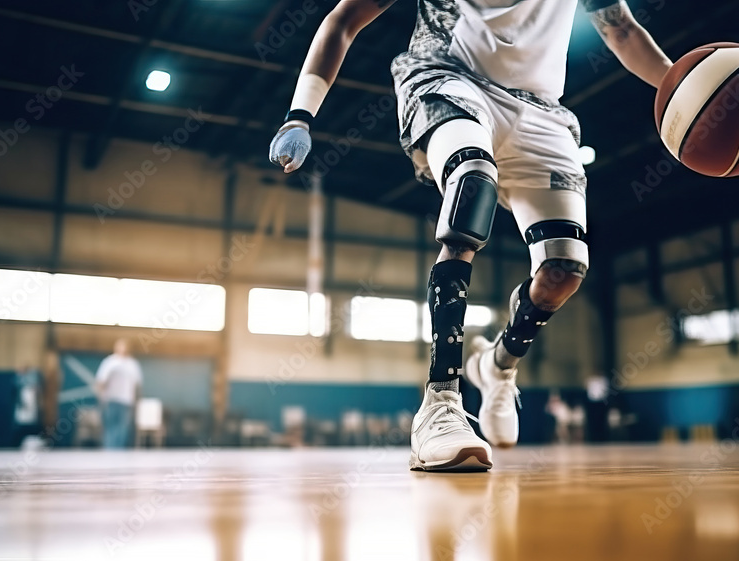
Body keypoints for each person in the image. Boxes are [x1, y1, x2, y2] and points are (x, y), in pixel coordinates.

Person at [270, 0, 672, 470]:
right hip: (449, 78)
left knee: (563, 270)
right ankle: (439, 403)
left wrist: (683, 90)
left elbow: (620, 29)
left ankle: (497, 366)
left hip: (541, 110)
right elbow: (344, 19)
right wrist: (300, 113)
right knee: (471, 184)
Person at [95, 339, 143, 449]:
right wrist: (101, 398)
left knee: (123, 430)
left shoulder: (133, 364)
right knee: (110, 429)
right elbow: (100, 382)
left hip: (126, 402)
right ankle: (109, 453)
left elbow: (138, 385)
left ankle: (119, 455)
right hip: (111, 401)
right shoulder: (109, 362)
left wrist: (137, 401)